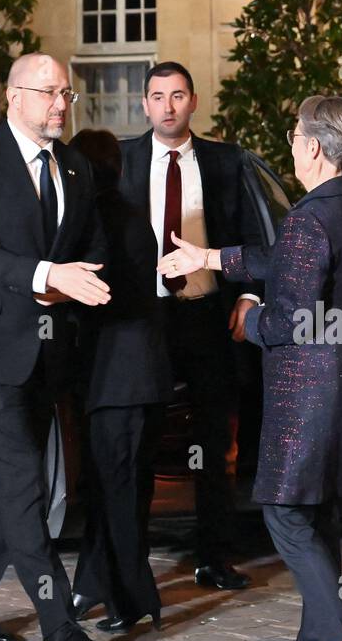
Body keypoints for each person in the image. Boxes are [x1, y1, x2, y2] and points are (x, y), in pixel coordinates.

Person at [160, 95, 342, 641]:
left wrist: (249, 317)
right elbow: (282, 261)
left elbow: (291, 319)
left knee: (284, 514)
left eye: (294, 132)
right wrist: (209, 257)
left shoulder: (311, 216)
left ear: (311, 146)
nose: (290, 140)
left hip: (307, 390)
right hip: (339, 384)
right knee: (317, 515)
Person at [0, 52, 110, 641]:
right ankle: (59, 629)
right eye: (48, 93)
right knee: (24, 487)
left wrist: (77, 279)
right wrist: (43, 274)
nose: (61, 104)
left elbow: (89, 244)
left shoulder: (74, 166)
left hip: (50, 349)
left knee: (15, 488)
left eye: (66, 93)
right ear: (13, 96)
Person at [114, 61, 266, 592]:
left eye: (178, 95)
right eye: (158, 97)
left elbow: (254, 238)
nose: (168, 106)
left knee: (215, 443)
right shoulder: (123, 161)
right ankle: (130, 567)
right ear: (145, 104)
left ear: (194, 101)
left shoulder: (225, 162)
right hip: (144, 321)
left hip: (207, 317)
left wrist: (248, 296)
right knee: (140, 439)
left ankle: (214, 558)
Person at [68, 127, 172, 634]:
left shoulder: (95, 221)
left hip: (118, 380)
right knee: (120, 488)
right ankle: (94, 582)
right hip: (136, 378)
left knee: (120, 491)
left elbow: (98, 299)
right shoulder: (132, 216)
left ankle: (131, 599)